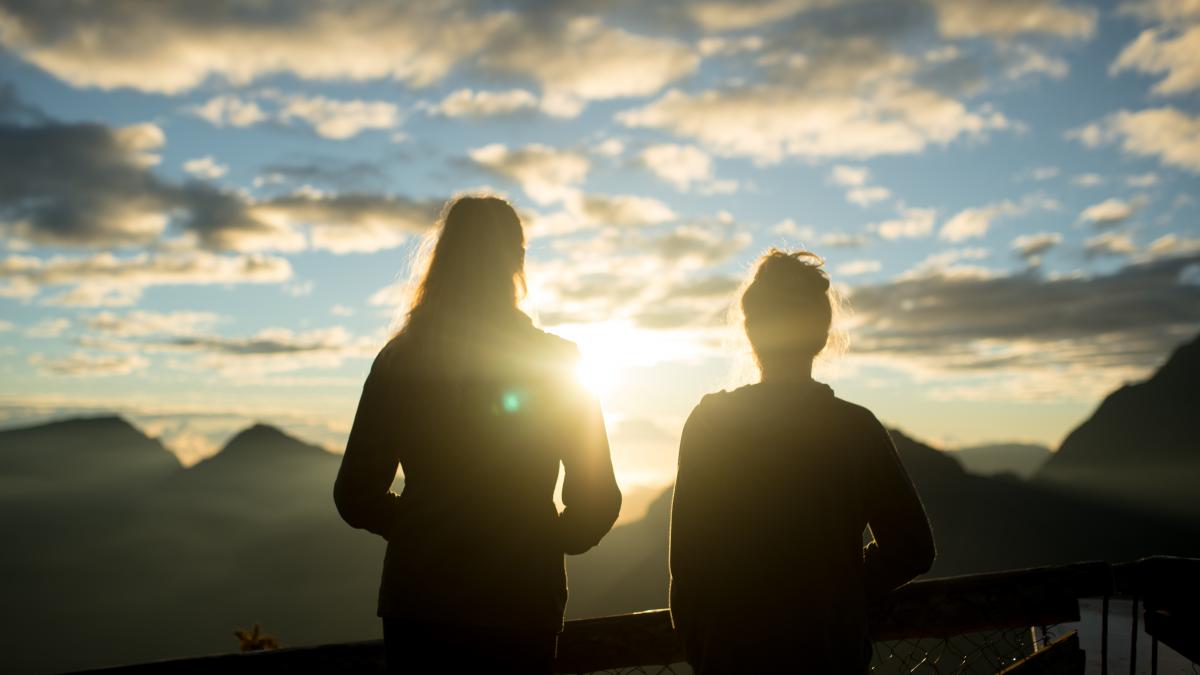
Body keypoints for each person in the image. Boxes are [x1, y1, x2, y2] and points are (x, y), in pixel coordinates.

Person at [334, 196, 622, 674]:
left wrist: (420, 526)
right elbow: (597, 498)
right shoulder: (555, 362)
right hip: (521, 601)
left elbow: (354, 494)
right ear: (517, 262)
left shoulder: (401, 361)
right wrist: (541, 536)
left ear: (444, 257)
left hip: (420, 602)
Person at [669, 248, 935, 675]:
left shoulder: (711, 423)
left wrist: (705, 646)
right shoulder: (854, 428)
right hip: (828, 654)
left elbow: (687, 564)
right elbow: (913, 548)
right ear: (821, 334)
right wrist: (837, 592)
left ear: (751, 330)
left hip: (732, 654)